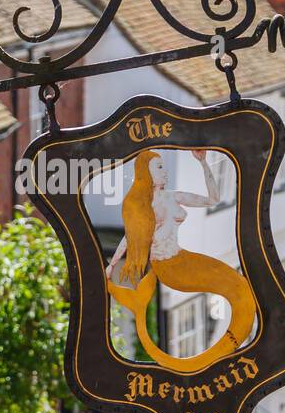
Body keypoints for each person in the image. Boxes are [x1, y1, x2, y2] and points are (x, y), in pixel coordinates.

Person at [106, 148, 256, 369]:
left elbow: (213, 199)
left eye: (163, 167)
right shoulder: (142, 207)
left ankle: (225, 346)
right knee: (237, 288)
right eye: (158, 168)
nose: (164, 172)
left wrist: (204, 163)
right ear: (145, 173)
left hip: (182, 257)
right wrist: (111, 266)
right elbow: (129, 239)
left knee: (240, 289)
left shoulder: (172, 196)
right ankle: (214, 350)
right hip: (169, 268)